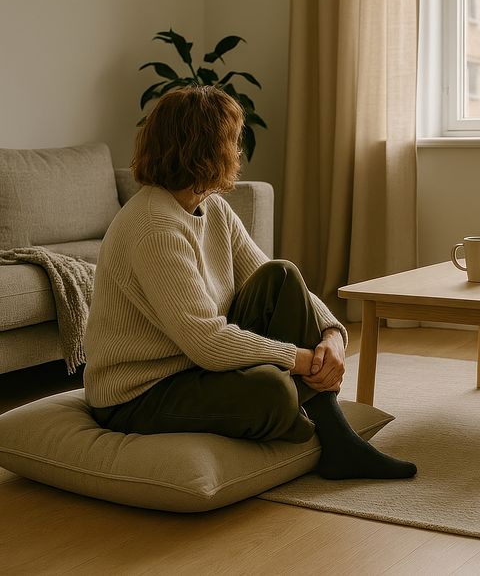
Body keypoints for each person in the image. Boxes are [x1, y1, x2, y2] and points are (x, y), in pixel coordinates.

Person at [83, 86, 415, 481]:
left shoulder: (213, 208)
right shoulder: (155, 226)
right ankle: (324, 430)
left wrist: (331, 336)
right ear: (207, 148)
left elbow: (274, 280)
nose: (237, 151)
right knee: (272, 393)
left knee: (282, 274)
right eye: (232, 140)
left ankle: (332, 434)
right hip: (140, 393)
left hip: (193, 367)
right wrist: (300, 359)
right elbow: (207, 342)